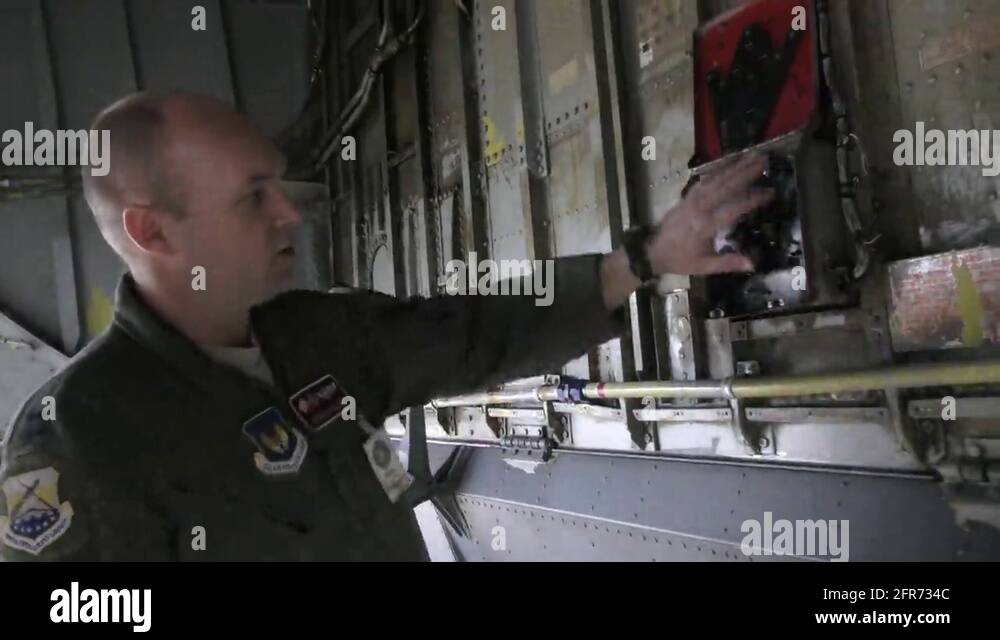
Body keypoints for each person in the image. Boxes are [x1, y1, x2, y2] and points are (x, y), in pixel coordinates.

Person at [0, 92, 773, 561]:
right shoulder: (80, 438)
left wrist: (644, 258)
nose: (289, 213)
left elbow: (476, 329)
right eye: (252, 196)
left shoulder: (317, 336)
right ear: (155, 234)